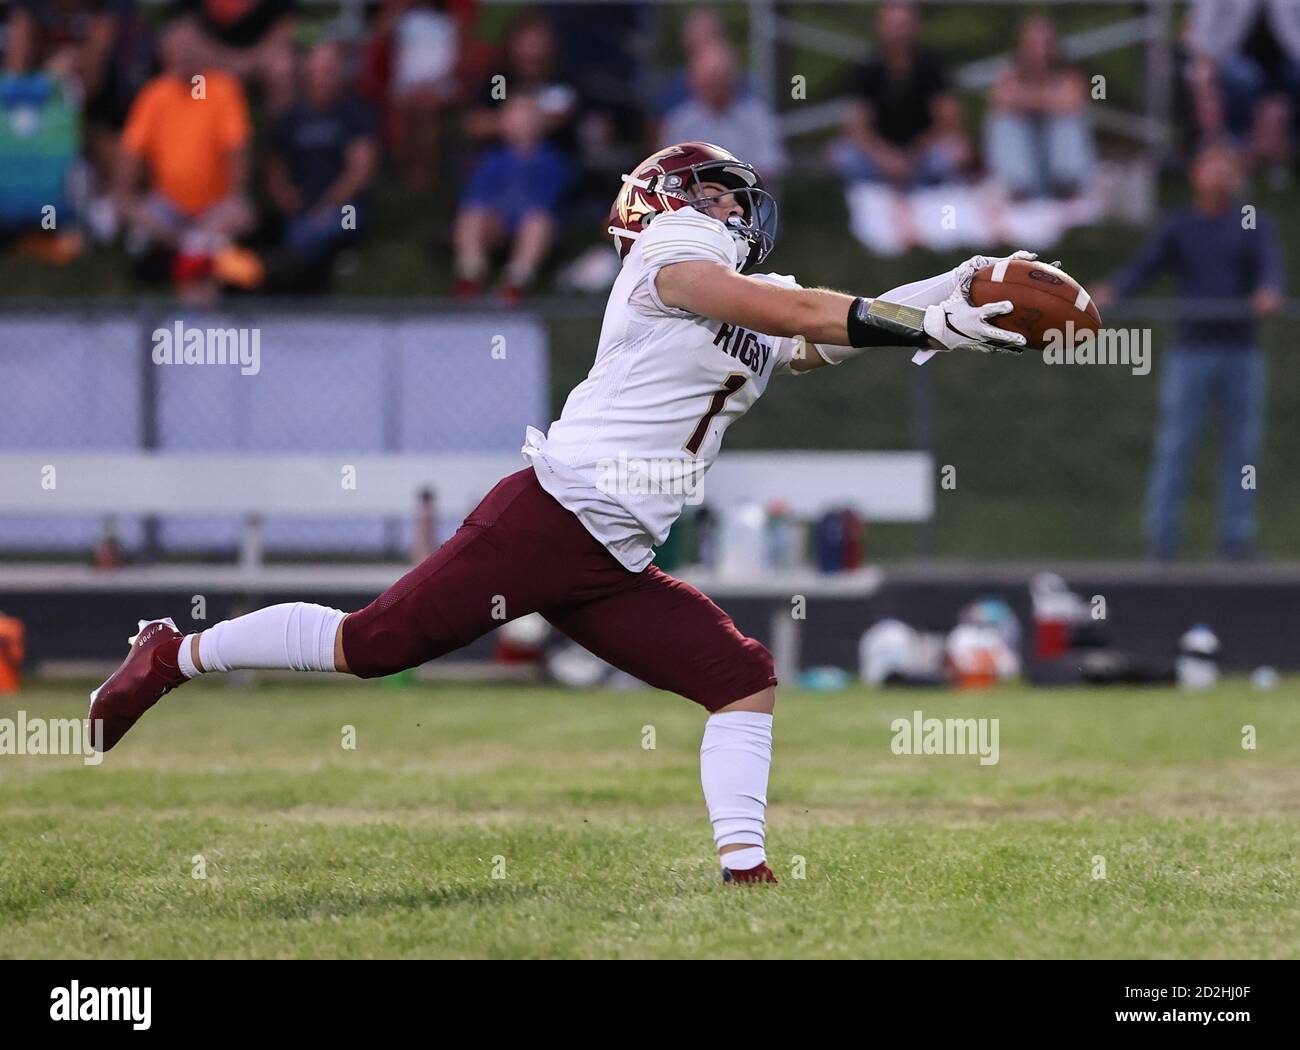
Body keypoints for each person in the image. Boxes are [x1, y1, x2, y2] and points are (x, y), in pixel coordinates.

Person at [89, 141, 1031, 884]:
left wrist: (955, 289)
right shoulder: (675, 254)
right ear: (665, 203)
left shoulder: (755, 296)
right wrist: (924, 322)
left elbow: (822, 332)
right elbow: (794, 313)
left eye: (739, 198)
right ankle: (171, 653)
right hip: (551, 516)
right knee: (368, 646)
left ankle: (747, 874)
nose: (736, 210)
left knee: (741, 678)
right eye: (717, 194)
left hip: (611, 553)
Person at [1093, 144, 1285, 561]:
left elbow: (1271, 268)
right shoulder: (1181, 225)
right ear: (1196, 173)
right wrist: (1111, 292)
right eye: (1212, 165)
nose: (1219, 175)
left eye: (1227, 167)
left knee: (1242, 448)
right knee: (1176, 444)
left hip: (1241, 352)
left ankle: (1237, 540)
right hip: (1191, 350)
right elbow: (1145, 267)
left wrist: (1270, 292)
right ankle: (1161, 541)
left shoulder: (1251, 223)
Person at [114, 19, 258, 301]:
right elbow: (131, 151)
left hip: (215, 207)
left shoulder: (222, 90)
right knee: (132, 212)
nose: (183, 60)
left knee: (238, 215)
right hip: (167, 208)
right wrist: (124, 194)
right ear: (165, 56)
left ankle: (195, 262)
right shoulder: (154, 95)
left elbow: (237, 149)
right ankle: (192, 251)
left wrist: (236, 195)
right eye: (175, 53)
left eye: (189, 52)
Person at [265, 40, 378, 275]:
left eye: (328, 70)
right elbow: (275, 164)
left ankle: (289, 266)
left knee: (332, 225)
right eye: (317, 70)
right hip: (302, 209)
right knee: (301, 230)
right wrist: (285, 195)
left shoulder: (354, 113)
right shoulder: (292, 118)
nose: (322, 78)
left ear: (338, 72)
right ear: (306, 72)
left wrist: (327, 206)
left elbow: (360, 171)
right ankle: (313, 267)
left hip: (347, 208)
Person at [832, 1, 969, 187]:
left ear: (916, 27)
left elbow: (950, 122)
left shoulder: (933, 66)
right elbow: (856, 127)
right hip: (880, 158)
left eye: (903, 26)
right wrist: (886, 157)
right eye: (893, 26)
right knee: (841, 153)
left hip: (922, 156)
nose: (899, 34)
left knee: (956, 150)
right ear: (879, 27)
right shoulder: (866, 69)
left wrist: (913, 155)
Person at [452, 95, 570, 301]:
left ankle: (515, 282)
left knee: (537, 223)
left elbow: (550, 201)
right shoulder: (492, 159)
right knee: (472, 216)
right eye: (515, 121)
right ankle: (470, 275)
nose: (521, 128)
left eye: (527, 122)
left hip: (531, 224)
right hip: (498, 221)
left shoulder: (551, 161)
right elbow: (477, 196)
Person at [984, 16, 1095, 199]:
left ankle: (1067, 185)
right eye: (1031, 44)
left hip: (1056, 158)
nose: (1037, 50)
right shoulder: (1007, 73)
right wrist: (1048, 99)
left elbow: (1071, 102)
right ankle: (1017, 187)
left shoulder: (1070, 76)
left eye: (1043, 44)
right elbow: (1001, 100)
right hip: (1028, 162)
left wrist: (1024, 99)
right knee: (1004, 120)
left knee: (1066, 119)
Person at [660, 42, 785, 181]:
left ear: (734, 80)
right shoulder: (680, 122)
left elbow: (771, 165)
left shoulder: (759, 117)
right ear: (694, 83)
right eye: (708, 84)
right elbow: (668, 172)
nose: (714, 90)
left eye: (720, 82)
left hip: (748, 197)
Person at [174, 0, 297, 114]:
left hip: (261, 55)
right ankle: (194, 129)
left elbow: (284, 28)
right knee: (179, 46)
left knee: (281, 69)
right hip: (208, 54)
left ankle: (281, 132)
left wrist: (248, 60)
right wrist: (222, 58)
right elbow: (186, 23)